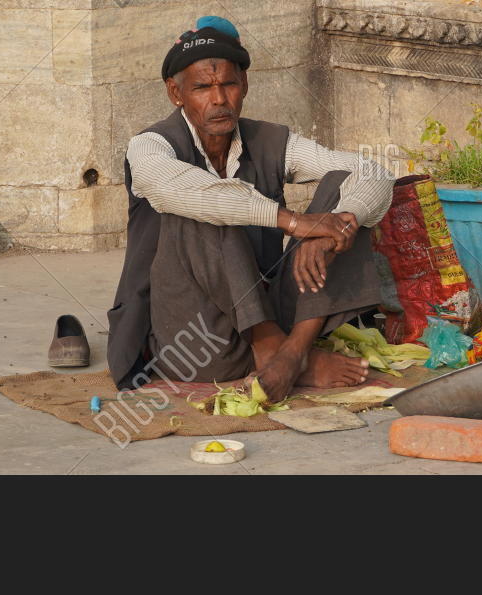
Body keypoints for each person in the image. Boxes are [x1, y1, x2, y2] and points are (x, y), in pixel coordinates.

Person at [107, 16, 394, 399]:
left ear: (244, 84)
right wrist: (293, 222)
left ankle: (291, 353)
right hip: (200, 340)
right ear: (176, 94)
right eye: (202, 88)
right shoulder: (149, 146)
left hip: (278, 309)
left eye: (228, 84)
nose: (219, 99)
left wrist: (332, 228)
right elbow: (181, 191)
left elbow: (372, 172)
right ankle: (275, 350)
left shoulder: (270, 139)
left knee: (345, 191)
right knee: (204, 203)